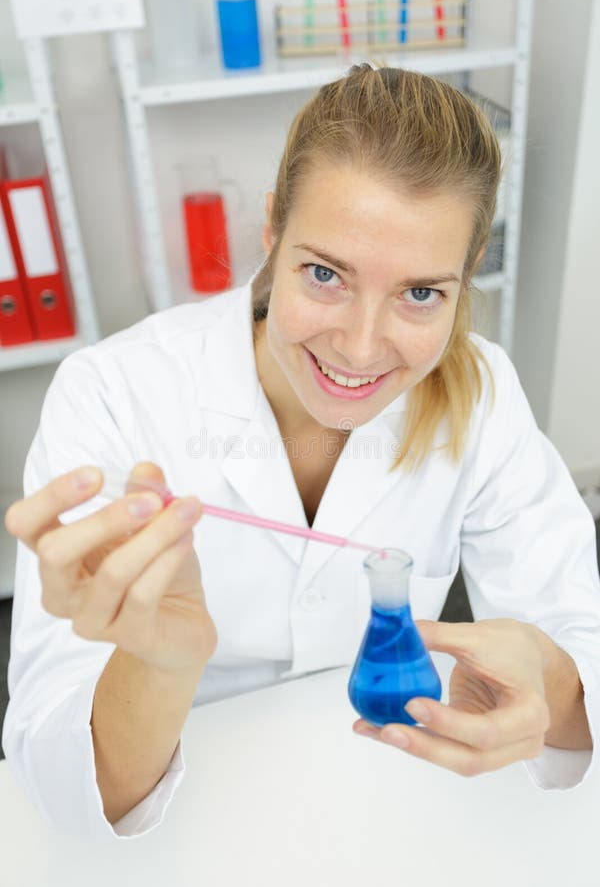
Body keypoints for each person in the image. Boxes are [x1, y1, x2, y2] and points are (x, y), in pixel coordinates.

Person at [3, 63, 599, 843]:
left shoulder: (481, 391)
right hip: (192, 821)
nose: (358, 347)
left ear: (466, 273)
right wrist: (163, 662)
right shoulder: (115, 395)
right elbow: (59, 788)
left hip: (399, 805)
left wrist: (550, 678)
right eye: (325, 274)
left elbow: (574, 642)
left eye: (421, 293)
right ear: (273, 228)